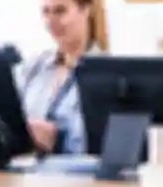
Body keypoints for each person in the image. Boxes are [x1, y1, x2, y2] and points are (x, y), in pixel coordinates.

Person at [20, 0, 105, 155]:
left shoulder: (104, 74)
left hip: (75, 174)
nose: (51, 21)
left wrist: (57, 138)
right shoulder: (35, 67)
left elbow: (99, 144)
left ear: (86, 10)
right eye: (46, 12)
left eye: (60, 11)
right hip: (28, 172)